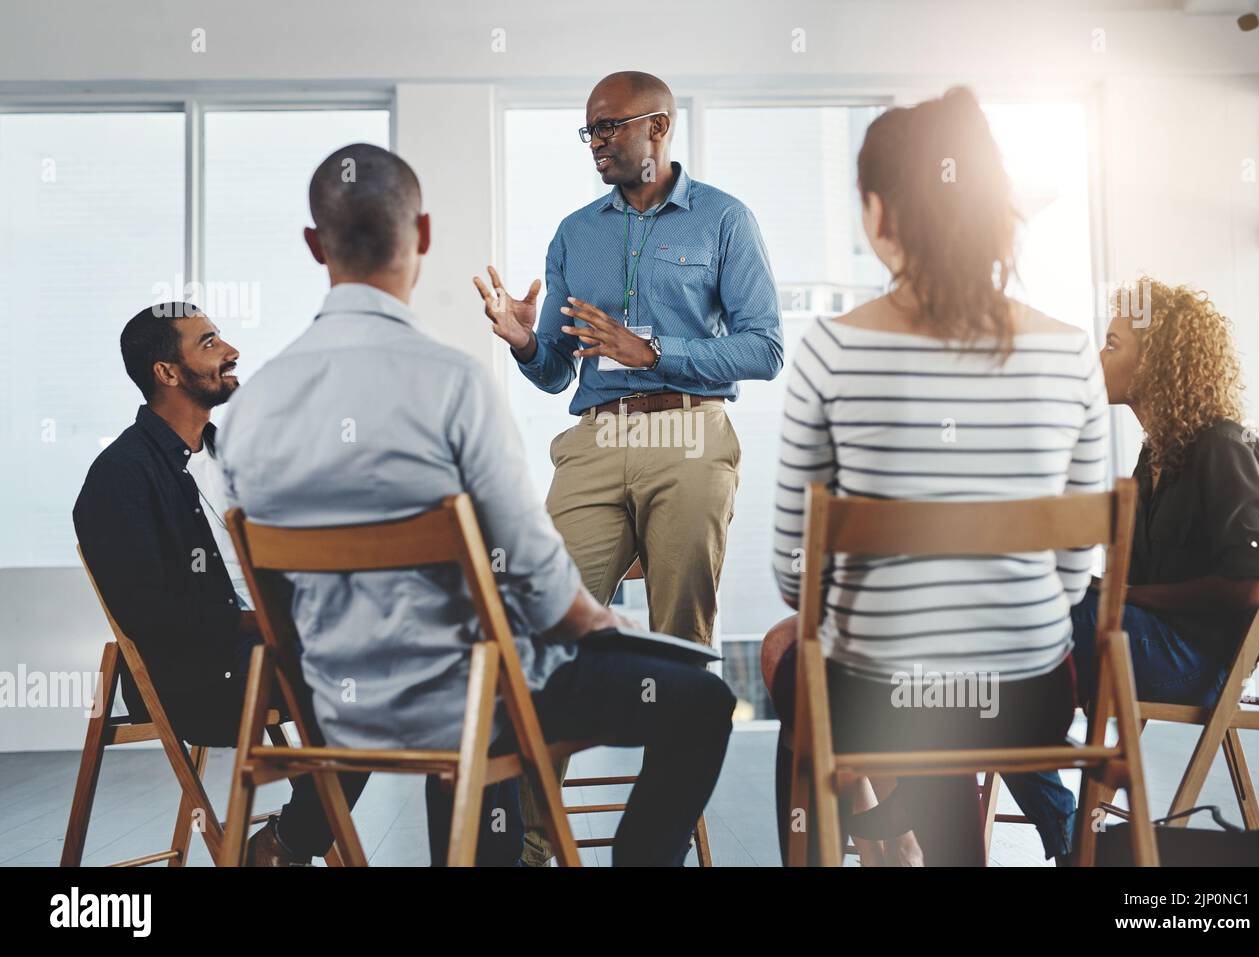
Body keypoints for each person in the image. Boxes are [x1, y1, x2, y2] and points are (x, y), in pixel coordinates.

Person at [218, 143, 736, 867]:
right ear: (422, 236)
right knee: (699, 702)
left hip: (336, 709)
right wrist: (606, 624)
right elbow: (543, 588)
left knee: (483, 684)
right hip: (471, 702)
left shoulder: (249, 410)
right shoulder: (452, 385)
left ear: (315, 244)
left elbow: (261, 590)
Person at [762, 86, 1109, 867]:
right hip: (1031, 699)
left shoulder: (832, 352)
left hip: (879, 697)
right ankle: (917, 843)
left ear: (879, 215)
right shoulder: (1069, 351)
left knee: (811, 668)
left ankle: (872, 841)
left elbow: (795, 575)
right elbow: (1076, 571)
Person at [473, 70, 781, 865]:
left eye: (610, 127)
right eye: (590, 131)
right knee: (541, 631)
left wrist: (658, 351)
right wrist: (521, 341)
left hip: (689, 434)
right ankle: (533, 843)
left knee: (682, 642)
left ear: (660, 128)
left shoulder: (723, 219)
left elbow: (766, 345)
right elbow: (554, 369)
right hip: (595, 440)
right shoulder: (577, 232)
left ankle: (653, 846)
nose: (598, 143)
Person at [1002, 277, 1259, 862]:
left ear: (1156, 360)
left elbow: (1251, 586)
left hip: (1200, 662)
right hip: (1149, 642)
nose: (1096, 356)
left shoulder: (1222, 446)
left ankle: (1068, 837)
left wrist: (1124, 592)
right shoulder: (1156, 457)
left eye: (1111, 343)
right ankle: (1071, 836)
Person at [73, 303, 366, 866]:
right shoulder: (121, 476)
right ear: (167, 372)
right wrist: (274, 623)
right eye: (209, 343)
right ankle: (284, 848)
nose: (231, 351)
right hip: (202, 677)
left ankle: (285, 845)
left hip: (275, 653)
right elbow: (152, 613)